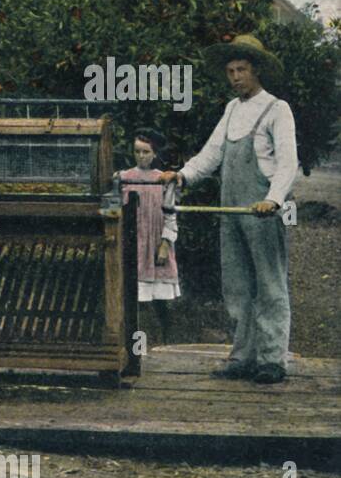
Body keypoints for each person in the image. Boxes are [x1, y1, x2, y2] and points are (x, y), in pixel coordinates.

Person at [158, 35, 297, 384]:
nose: (235, 77)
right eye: (231, 71)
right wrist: (182, 175)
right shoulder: (232, 109)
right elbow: (211, 153)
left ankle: (272, 359)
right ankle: (243, 357)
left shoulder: (276, 109)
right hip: (231, 211)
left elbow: (288, 163)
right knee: (237, 286)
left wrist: (274, 200)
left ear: (256, 70)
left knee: (269, 284)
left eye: (242, 70)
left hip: (261, 210)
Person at [117, 128, 180, 340]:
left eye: (146, 152)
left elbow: (170, 215)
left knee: (160, 300)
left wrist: (165, 244)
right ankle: (136, 344)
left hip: (155, 242)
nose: (141, 156)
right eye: (137, 151)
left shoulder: (163, 179)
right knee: (134, 298)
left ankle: (166, 341)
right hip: (133, 242)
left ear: (154, 154)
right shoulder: (124, 178)